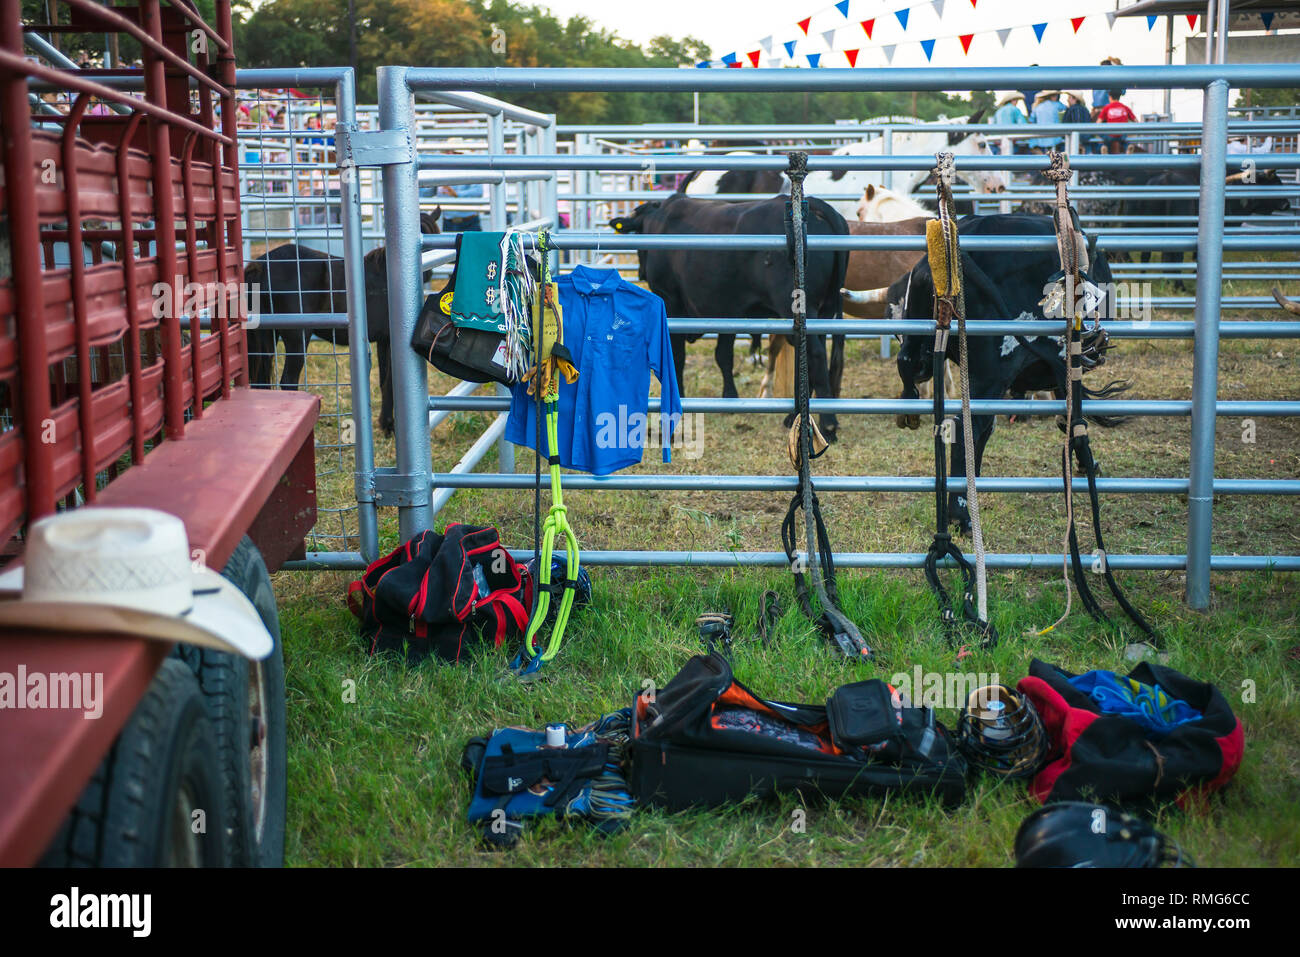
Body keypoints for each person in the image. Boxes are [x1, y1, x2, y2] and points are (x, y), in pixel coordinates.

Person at [1097, 90, 1138, 154]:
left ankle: (1104, 146)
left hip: (1110, 134)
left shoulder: (1106, 108)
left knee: (1104, 137)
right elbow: (1136, 121)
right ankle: (1127, 146)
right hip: (1122, 133)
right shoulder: (1125, 107)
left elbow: (1098, 123)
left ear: (1110, 97)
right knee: (1124, 140)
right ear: (1119, 97)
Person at [990, 91, 1028, 155]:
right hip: (1012, 142)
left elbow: (993, 126)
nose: (1016, 102)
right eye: (1016, 100)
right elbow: (1023, 125)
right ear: (1012, 100)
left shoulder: (998, 111)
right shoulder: (1015, 109)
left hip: (999, 141)